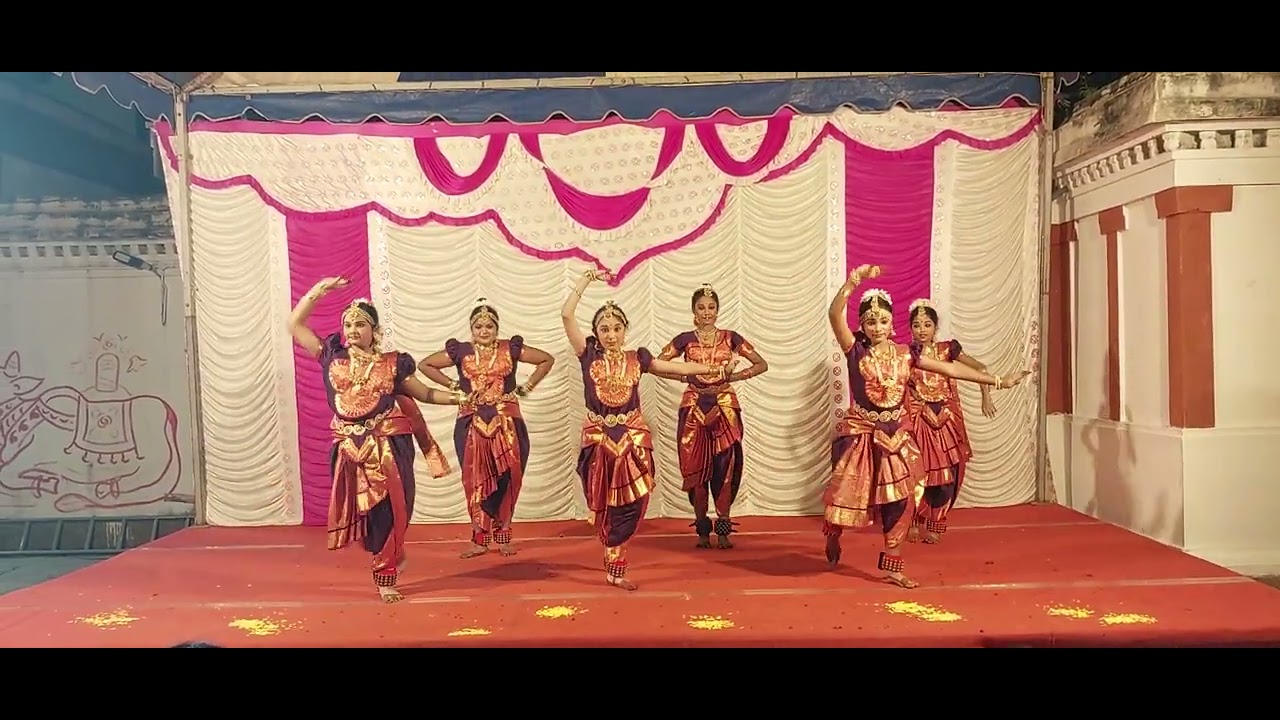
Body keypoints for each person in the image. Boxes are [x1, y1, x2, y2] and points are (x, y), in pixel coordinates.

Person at [824, 264, 1028, 589]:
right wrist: (852, 284)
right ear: (862, 324)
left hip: (896, 437)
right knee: (847, 496)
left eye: (884, 320)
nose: (877, 326)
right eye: (870, 321)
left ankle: (892, 565)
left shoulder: (908, 354)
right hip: (862, 433)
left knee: (902, 501)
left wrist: (999, 381)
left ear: (892, 324)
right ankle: (833, 534)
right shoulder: (855, 350)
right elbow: (835, 315)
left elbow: (952, 370)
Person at [289, 276, 461, 603]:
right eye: (348, 324)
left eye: (361, 324)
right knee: (366, 514)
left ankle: (385, 574)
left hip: (388, 445)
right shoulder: (332, 356)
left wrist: (459, 398)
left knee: (394, 510)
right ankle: (387, 552)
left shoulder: (392, 364)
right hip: (348, 448)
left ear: (375, 331)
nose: (353, 329)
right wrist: (318, 292)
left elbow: (423, 393)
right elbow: (295, 324)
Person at [561, 269, 727, 591]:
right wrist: (585, 279)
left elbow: (675, 368)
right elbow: (567, 314)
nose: (610, 334)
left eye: (617, 328)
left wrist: (712, 368)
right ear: (596, 332)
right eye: (604, 329)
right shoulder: (587, 355)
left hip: (633, 440)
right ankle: (615, 565)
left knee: (637, 501)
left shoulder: (637, 358)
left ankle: (616, 562)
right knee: (606, 505)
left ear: (625, 331)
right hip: (598, 441)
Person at [417, 299, 556, 559]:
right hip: (471, 423)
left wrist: (528, 386)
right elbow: (425, 364)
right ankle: (479, 539)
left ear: (496, 327)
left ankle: (503, 536)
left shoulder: (510, 349)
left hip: (508, 423)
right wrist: (453, 386)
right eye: (479, 326)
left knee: (509, 477)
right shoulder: (461, 351)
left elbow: (547, 360)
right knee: (474, 479)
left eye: (489, 326)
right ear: (471, 328)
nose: (484, 330)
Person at [653, 283, 769, 549]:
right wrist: (686, 376)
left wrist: (734, 376)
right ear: (693, 311)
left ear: (718, 310)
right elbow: (657, 365)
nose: (707, 312)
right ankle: (703, 529)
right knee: (695, 467)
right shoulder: (684, 339)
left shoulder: (731, 338)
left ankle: (724, 528)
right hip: (693, 406)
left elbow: (762, 364)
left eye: (711, 307)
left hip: (725, 407)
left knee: (725, 466)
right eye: (701, 308)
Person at [904, 298, 997, 544]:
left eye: (927, 324)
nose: (922, 329)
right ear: (910, 328)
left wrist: (985, 397)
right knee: (915, 473)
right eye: (916, 325)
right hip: (918, 421)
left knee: (946, 476)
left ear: (935, 327)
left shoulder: (948, 350)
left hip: (945, 421)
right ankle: (913, 520)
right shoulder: (906, 354)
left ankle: (936, 524)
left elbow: (981, 369)